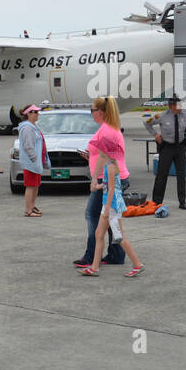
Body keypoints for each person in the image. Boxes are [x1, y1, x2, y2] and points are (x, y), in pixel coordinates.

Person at [75, 96, 128, 268]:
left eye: (92, 110)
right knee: (111, 218)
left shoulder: (106, 130)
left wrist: (93, 179)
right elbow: (106, 154)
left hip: (107, 178)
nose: (91, 113)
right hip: (112, 176)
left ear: (101, 112)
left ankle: (91, 256)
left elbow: (104, 157)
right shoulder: (108, 128)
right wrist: (91, 156)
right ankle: (116, 254)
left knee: (92, 214)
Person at [81, 146, 143, 277]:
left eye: (100, 152)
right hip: (109, 204)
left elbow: (111, 189)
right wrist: (97, 186)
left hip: (112, 206)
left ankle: (137, 264)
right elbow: (108, 185)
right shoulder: (109, 165)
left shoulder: (110, 167)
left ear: (106, 153)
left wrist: (107, 210)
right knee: (99, 234)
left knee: (119, 237)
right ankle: (94, 267)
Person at [146, 95, 186, 209]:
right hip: (167, 147)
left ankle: (182, 201)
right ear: (171, 106)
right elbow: (147, 122)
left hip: (180, 147)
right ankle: (157, 202)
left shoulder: (185, 115)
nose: (180, 107)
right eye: (178, 105)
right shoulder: (162, 115)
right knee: (162, 175)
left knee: (181, 175)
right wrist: (155, 134)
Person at [17, 103, 51, 218]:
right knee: (31, 186)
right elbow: (28, 146)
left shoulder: (33, 126)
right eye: (35, 112)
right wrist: (34, 159)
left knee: (35, 185)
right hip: (31, 162)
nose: (38, 114)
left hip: (36, 162)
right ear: (29, 114)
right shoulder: (27, 128)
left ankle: (32, 206)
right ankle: (28, 210)